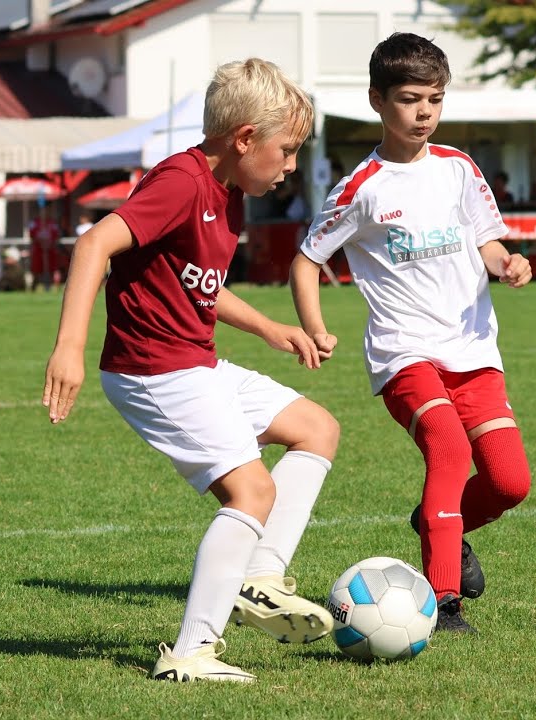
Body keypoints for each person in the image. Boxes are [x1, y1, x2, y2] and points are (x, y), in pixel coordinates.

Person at [41, 58, 340, 683]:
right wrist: (69, 346)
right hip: (153, 371)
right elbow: (94, 244)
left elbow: (195, 284)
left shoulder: (225, 193)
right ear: (244, 139)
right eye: (285, 152)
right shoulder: (181, 183)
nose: (290, 167)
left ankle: (257, 580)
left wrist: (268, 327)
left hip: (193, 361)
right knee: (252, 492)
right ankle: (191, 653)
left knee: (317, 427)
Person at [288, 32, 534, 635]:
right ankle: (444, 601)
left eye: (435, 99)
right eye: (409, 99)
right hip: (404, 354)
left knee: (509, 482)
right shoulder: (362, 188)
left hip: (474, 350)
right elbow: (305, 261)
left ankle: (435, 524)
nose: (424, 112)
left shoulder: (458, 169)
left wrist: (508, 263)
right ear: (377, 100)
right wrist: (315, 328)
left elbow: (487, 242)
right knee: (448, 451)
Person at [28, 207, 63, 292]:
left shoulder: (52, 223)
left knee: (51, 269)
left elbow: (56, 235)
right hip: (38, 250)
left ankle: (50, 287)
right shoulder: (35, 223)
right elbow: (31, 235)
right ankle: (33, 287)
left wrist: (49, 244)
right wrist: (40, 242)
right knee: (36, 269)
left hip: (50, 250)